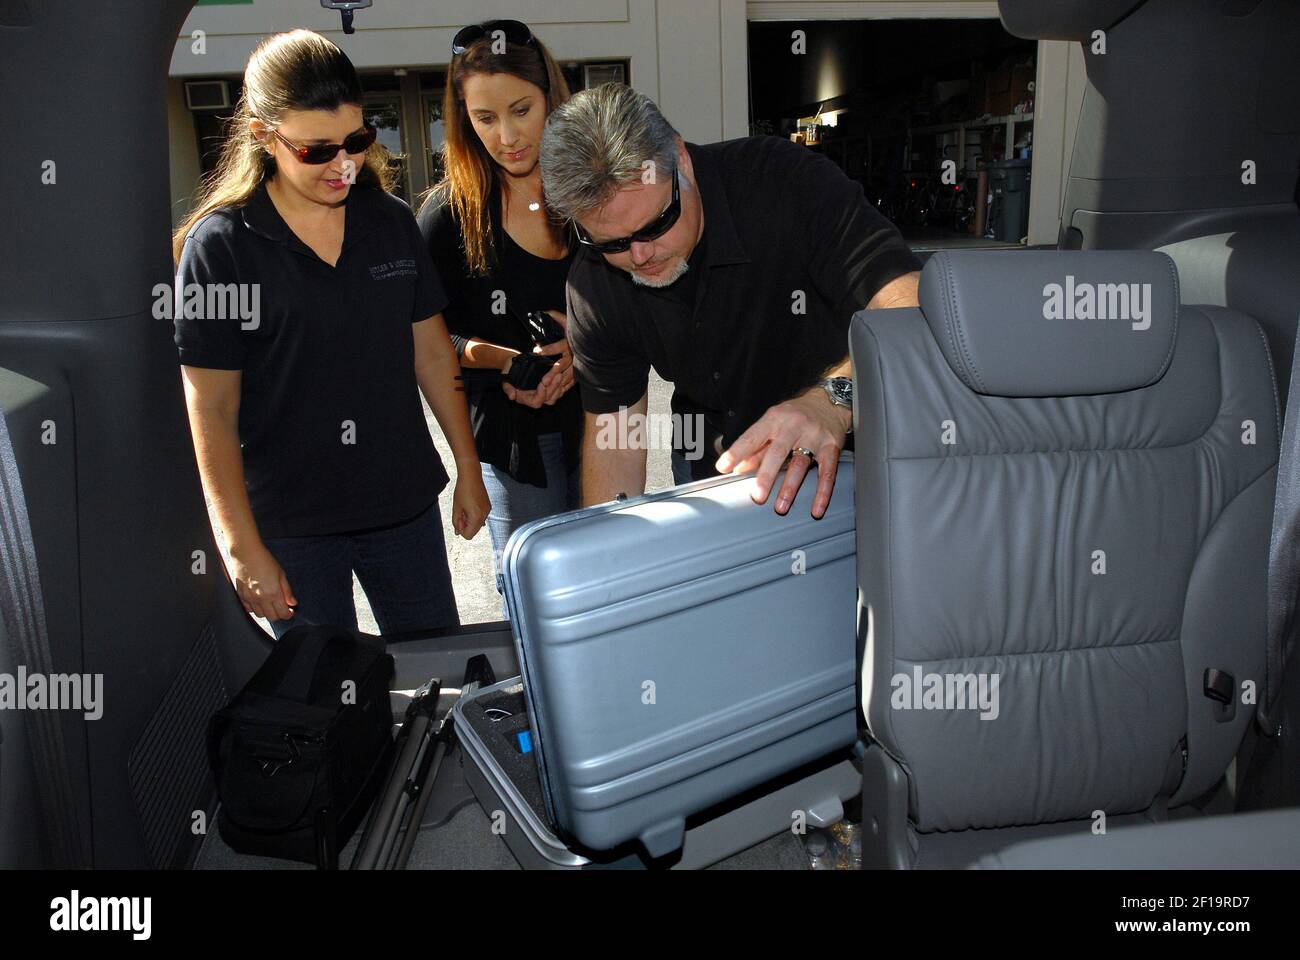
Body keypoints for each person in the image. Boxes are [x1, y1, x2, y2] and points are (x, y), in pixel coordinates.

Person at [172, 29, 489, 638]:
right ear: (264, 135)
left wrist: (468, 467)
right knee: (321, 706)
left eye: (356, 140)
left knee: (440, 674)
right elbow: (210, 406)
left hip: (400, 508)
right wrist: (239, 546)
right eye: (317, 151)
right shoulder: (222, 247)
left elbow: (430, 352)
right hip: (292, 525)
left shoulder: (390, 222)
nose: (343, 165)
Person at [539, 83, 923, 519]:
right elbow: (616, 434)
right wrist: (609, 558)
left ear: (680, 159)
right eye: (613, 244)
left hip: (851, 449)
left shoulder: (784, 183)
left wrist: (834, 399)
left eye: (655, 225)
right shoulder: (593, 282)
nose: (640, 256)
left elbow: (908, 303)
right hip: (714, 464)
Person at [417, 20, 581, 607]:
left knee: (609, 592)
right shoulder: (446, 218)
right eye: (485, 119)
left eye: (521, 109)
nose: (508, 136)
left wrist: (582, 342)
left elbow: (649, 298)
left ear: (551, 101)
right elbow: (429, 338)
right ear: (463, 119)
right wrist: (498, 360)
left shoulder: (597, 194)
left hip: (605, 427)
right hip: (512, 449)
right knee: (535, 606)